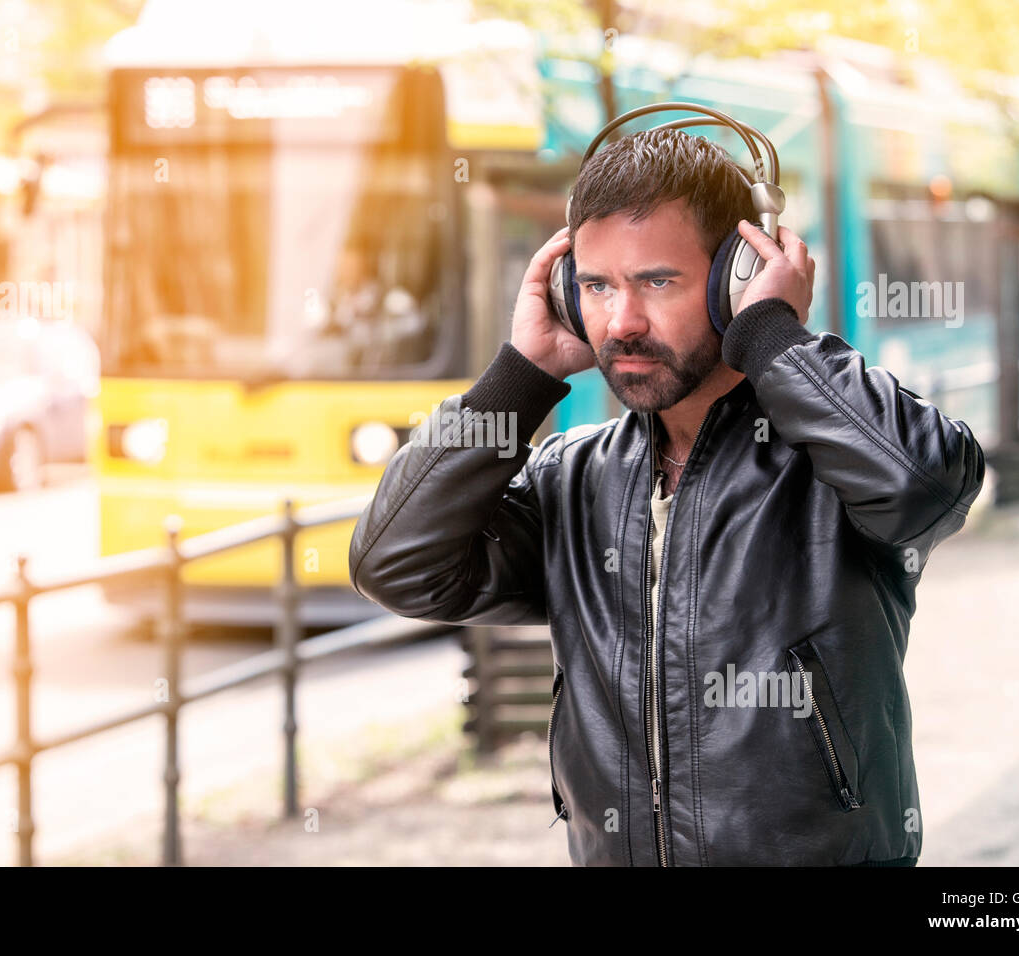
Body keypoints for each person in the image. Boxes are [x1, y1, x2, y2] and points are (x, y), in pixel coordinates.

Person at [348, 126, 985, 866]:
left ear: (735, 279)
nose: (620, 322)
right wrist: (518, 380)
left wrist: (773, 338)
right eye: (595, 286)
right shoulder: (573, 479)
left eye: (658, 281)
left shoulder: (833, 465)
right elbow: (395, 564)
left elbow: (926, 489)